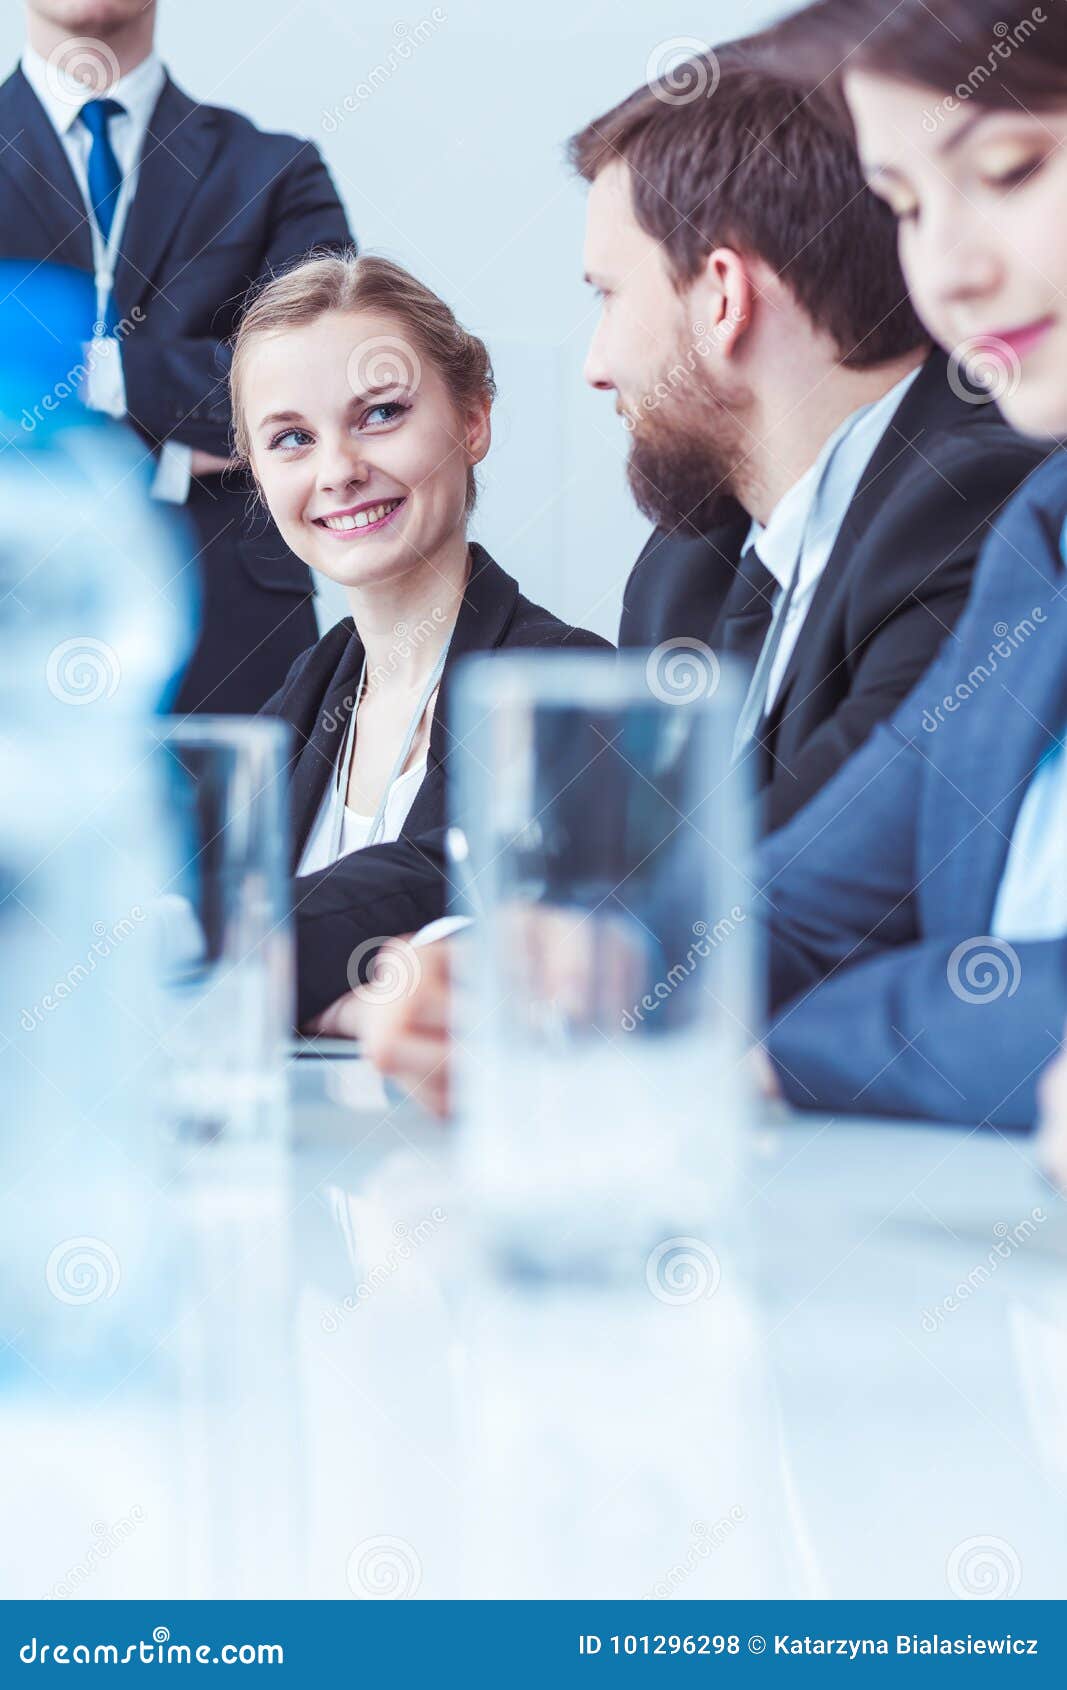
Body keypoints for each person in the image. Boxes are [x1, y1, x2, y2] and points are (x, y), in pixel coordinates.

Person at [343, 12, 1067, 1130]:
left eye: (1010, 172)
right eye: (909, 204)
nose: (948, 275)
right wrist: (556, 981)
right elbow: (813, 898)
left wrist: (767, 1056)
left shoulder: (968, 499)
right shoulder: (1042, 536)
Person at [575, 46, 1042, 831]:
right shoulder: (683, 567)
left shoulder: (976, 509)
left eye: (608, 295)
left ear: (724, 296)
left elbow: (814, 871)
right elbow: (615, 857)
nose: (596, 365)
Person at [230, 252, 610, 1025]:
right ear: (258, 474)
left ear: (473, 421)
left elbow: (466, 887)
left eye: (379, 414)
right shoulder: (299, 703)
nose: (337, 470)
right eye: (292, 438)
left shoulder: (566, 684)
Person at [0, 0, 353, 713]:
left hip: (238, 637)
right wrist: (177, 437)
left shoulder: (274, 170)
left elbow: (318, 385)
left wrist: (90, 373)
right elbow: (265, 397)